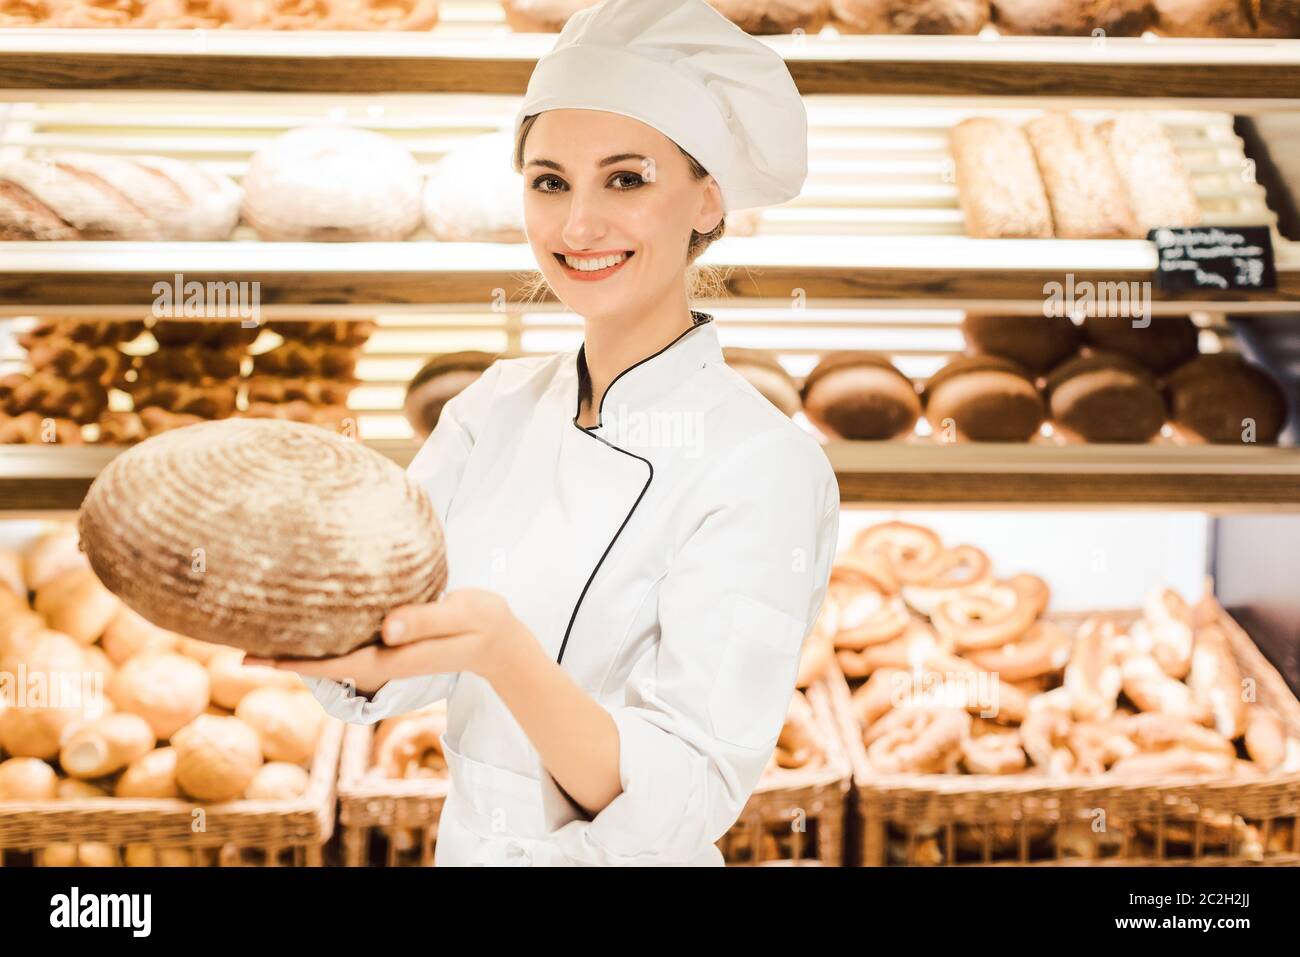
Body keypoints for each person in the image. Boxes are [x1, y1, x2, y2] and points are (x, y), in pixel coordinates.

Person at [248, 0, 840, 866]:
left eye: (626, 179)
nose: (578, 226)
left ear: (708, 199)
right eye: (550, 180)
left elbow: (686, 795)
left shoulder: (766, 464)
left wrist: (503, 651)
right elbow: (409, 660)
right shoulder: (493, 407)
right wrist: (329, 631)